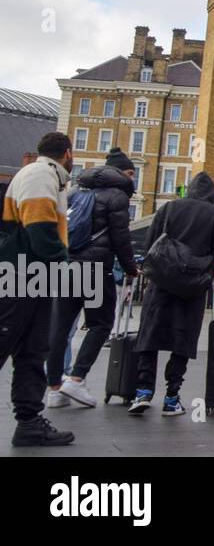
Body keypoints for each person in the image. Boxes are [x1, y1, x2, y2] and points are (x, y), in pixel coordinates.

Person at [46, 148, 140, 410]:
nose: (132, 179)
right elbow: (121, 238)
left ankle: (54, 389)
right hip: (95, 269)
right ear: (120, 173)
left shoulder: (75, 191)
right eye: (131, 173)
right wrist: (131, 268)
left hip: (67, 266)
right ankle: (76, 378)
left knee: (60, 327)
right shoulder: (117, 196)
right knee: (100, 323)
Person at [130, 172, 214, 416]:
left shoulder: (169, 208)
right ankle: (172, 396)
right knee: (183, 338)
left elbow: (151, 242)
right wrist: (205, 267)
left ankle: (143, 391)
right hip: (192, 287)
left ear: (190, 189)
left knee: (149, 333)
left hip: (161, 283)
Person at [0, 132, 76, 446]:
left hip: (34, 276)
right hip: (22, 275)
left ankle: (29, 422)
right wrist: (63, 264)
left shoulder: (49, 177)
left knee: (33, 351)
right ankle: (29, 421)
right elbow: (41, 231)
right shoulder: (40, 175)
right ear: (67, 154)